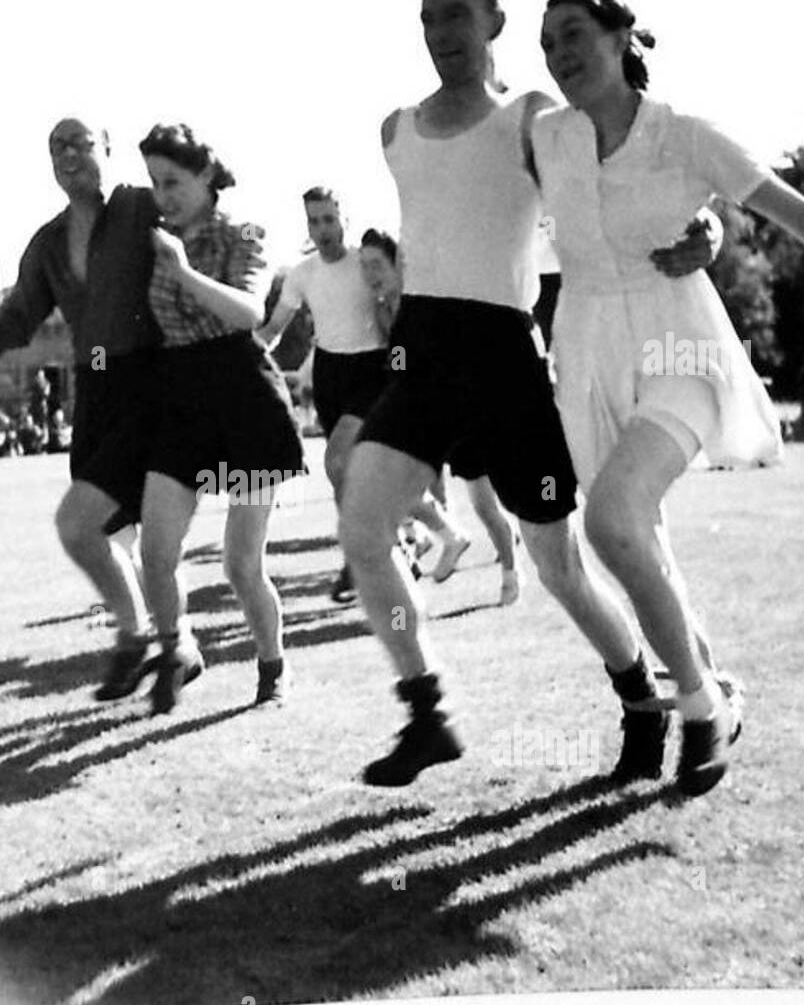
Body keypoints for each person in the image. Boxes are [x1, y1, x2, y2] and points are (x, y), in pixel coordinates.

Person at [338, 0, 721, 788]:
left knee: (559, 565)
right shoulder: (394, 129)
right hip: (423, 355)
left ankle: (642, 697)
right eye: (429, 18)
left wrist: (707, 229)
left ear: (493, 25)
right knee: (364, 528)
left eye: (457, 16)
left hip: (506, 361)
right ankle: (426, 711)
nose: (442, 34)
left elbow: (624, 175)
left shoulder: (533, 119)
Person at [532, 0, 804, 793]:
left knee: (608, 521)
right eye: (548, 43)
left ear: (622, 35)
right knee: (637, 538)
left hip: (678, 343)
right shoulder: (546, 136)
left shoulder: (687, 135)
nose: (560, 54)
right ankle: (713, 686)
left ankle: (702, 712)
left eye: (574, 34)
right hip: (587, 350)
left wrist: (712, 229)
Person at [0, 118, 163, 701]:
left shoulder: (141, 209)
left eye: (81, 142)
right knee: (112, 534)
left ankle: (142, 640)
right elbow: (20, 313)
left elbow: (200, 240)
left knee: (103, 529)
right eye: (57, 146)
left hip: (153, 385)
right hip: (97, 392)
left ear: (109, 149)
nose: (69, 154)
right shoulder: (49, 242)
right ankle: (169, 646)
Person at [138, 122, 305, 713]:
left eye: (175, 181)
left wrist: (183, 271)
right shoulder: (153, 236)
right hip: (181, 400)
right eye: (155, 184)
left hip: (244, 400)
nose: (164, 196)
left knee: (240, 564)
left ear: (208, 176)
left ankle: (273, 667)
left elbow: (249, 313)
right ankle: (178, 648)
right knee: (155, 552)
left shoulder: (243, 233)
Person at [256, 189, 473, 602]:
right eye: (314, 221)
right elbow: (274, 328)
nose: (322, 230)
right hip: (330, 375)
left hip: (373, 373)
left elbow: (403, 293)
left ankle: (383, 547)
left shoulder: (367, 263)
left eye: (328, 220)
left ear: (344, 220)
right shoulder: (302, 273)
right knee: (359, 477)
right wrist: (244, 345)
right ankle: (413, 541)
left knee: (338, 462)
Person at [358, 227, 524, 602]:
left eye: (376, 263)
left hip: (466, 411)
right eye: (363, 266)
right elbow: (398, 362)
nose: (370, 273)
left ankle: (512, 570)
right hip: (426, 417)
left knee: (484, 503)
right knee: (399, 486)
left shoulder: (428, 297)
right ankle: (444, 539)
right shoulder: (385, 309)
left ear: (396, 261)